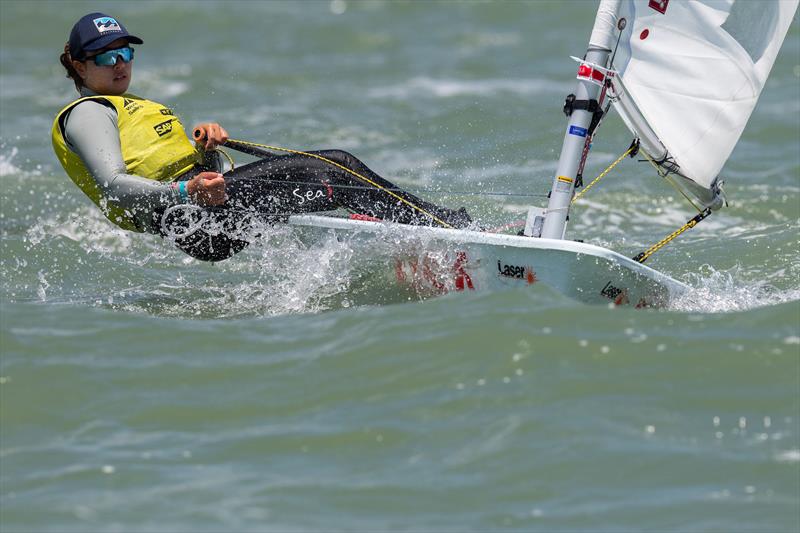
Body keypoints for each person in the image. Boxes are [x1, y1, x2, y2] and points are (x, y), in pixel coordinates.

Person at [52, 12, 473, 262]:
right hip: (189, 223)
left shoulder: (131, 105)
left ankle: (416, 236)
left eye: (126, 53)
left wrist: (205, 153)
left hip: (201, 219)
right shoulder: (88, 112)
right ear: (79, 65)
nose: (121, 64)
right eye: (107, 56)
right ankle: (445, 229)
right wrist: (187, 191)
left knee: (328, 188)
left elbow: (205, 184)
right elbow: (114, 187)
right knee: (333, 166)